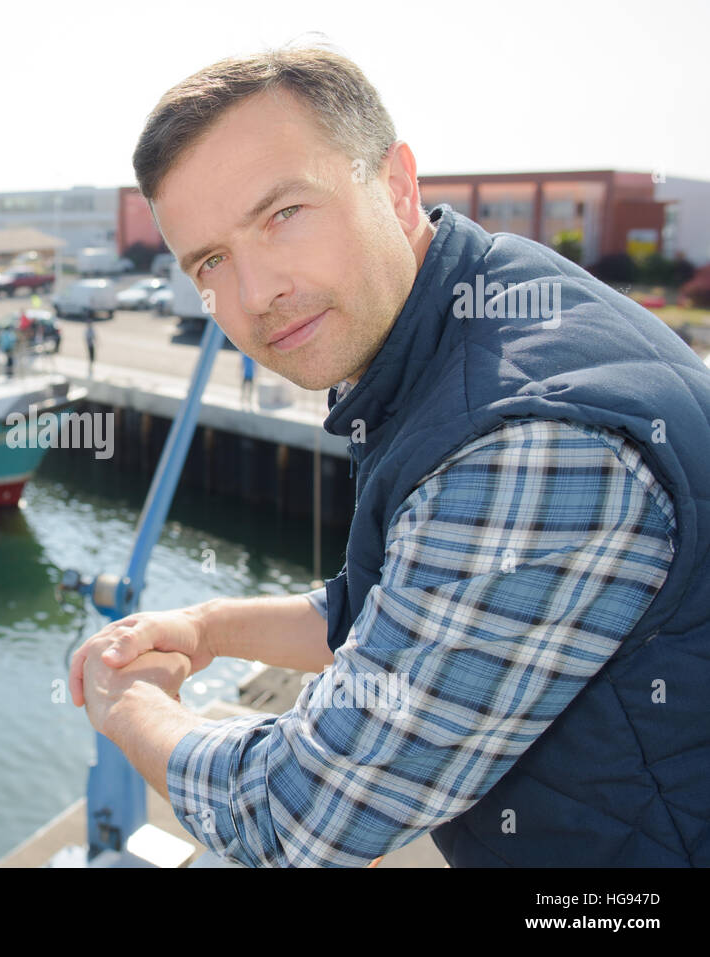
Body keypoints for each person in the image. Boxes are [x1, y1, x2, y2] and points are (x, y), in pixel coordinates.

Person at [68, 44, 710, 867]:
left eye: (284, 214)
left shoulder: (527, 444)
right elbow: (404, 604)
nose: (256, 291)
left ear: (399, 186)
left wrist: (127, 701)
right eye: (212, 261)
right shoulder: (483, 301)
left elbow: (301, 818)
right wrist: (207, 625)